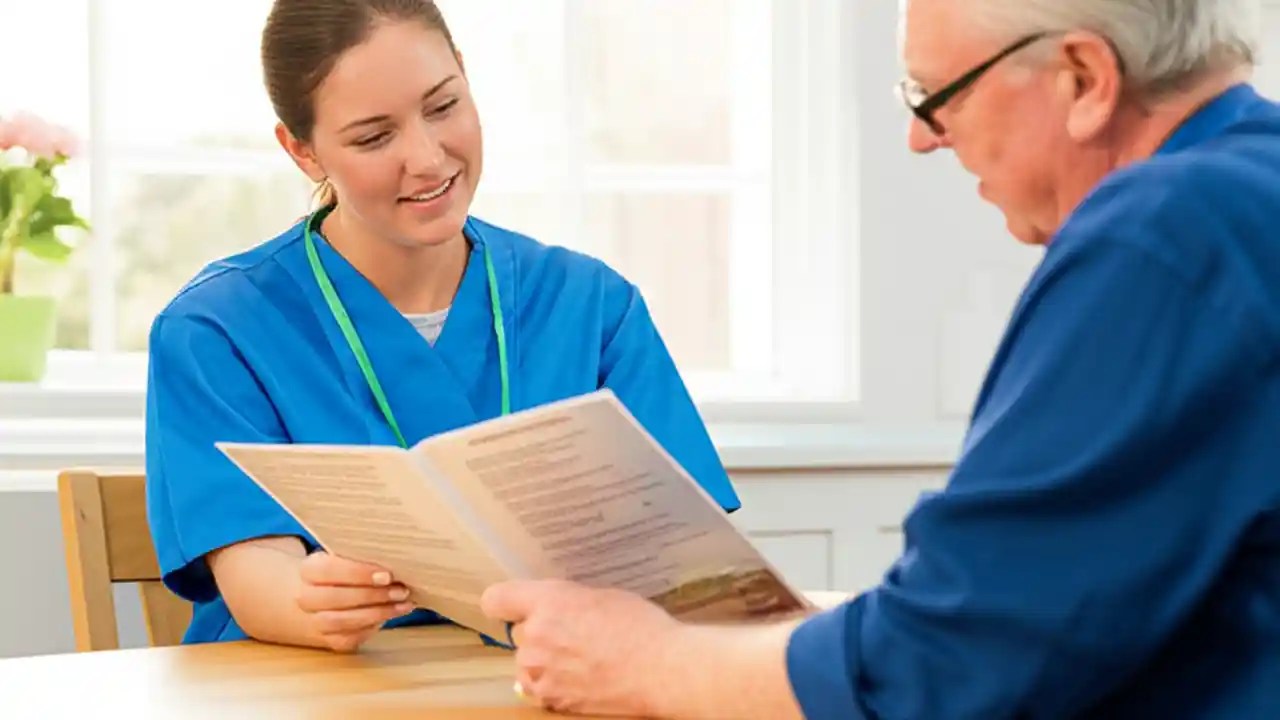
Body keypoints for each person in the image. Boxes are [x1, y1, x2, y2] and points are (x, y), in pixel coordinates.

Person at [479, 0, 1280, 717]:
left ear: (1083, 77)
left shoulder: (1166, 233)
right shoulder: (1252, 185)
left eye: (939, 97)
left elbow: (951, 661)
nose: (922, 137)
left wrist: (645, 664)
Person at [143, 0, 739, 653]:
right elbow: (259, 575)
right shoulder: (217, 330)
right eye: (374, 137)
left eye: (443, 106)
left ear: (463, 72)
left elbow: (683, 558)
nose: (427, 159)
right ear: (302, 152)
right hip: (324, 692)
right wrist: (309, 599)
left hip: (552, 688)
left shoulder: (592, 306)